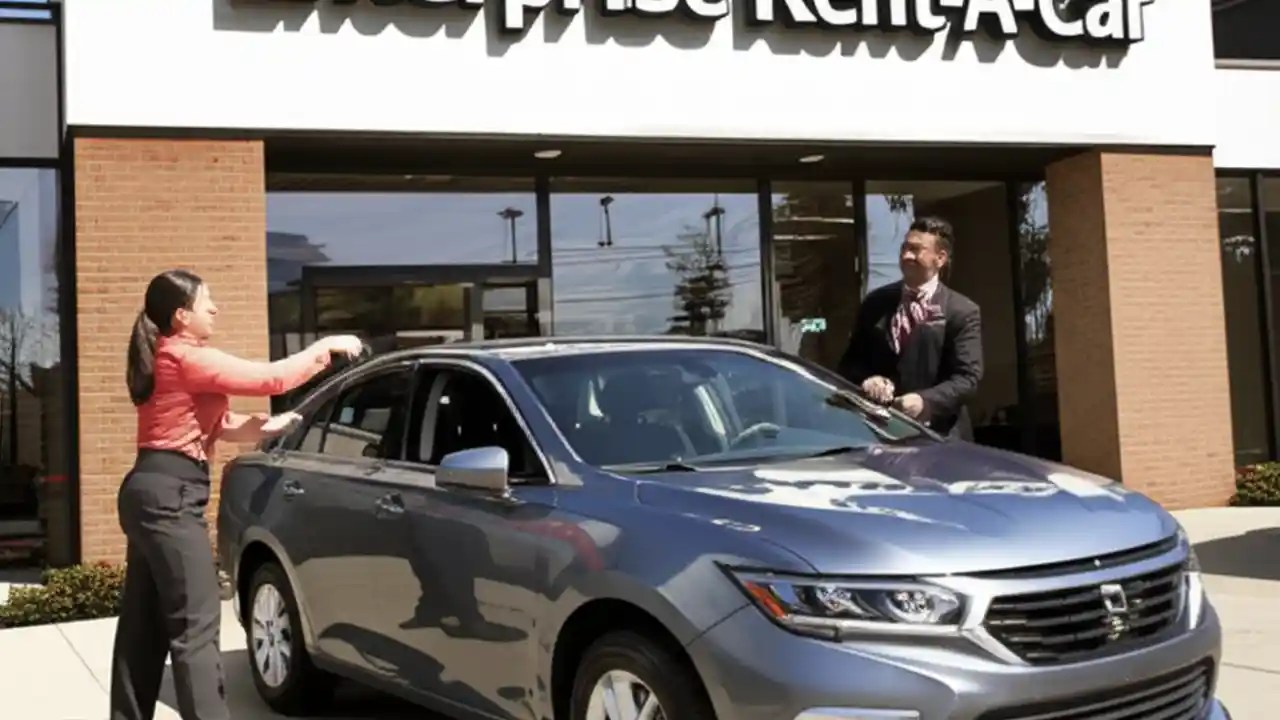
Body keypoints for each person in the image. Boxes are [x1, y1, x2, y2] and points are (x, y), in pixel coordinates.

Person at [111, 269, 363, 720]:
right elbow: (272, 378)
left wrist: (264, 427)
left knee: (143, 630)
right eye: (207, 301)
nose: (216, 307)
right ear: (182, 314)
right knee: (197, 625)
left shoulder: (172, 357)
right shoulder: (186, 355)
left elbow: (216, 425)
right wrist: (326, 348)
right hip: (169, 494)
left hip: (150, 489)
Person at [837, 216, 983, 441]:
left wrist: (926, 401)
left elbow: (967, 378)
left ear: (940, 258)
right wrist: (868, 380)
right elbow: (850, 364)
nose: (906, 256)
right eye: (904, 248)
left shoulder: (961, 311)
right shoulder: (876, 303)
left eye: (916, 250)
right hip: (879, 435)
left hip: (939, 439)